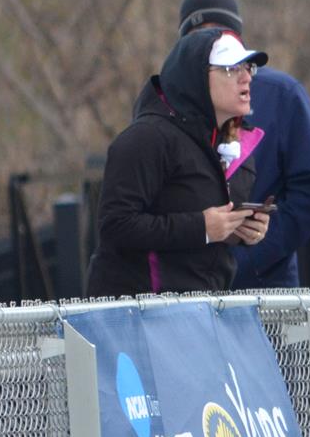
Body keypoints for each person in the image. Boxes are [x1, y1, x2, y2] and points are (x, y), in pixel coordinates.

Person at [85, 28, 271, 296]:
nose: (246, 78)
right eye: (231, 69)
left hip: (206, 307)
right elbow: (115, 225)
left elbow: (205, 229)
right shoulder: (147, 138)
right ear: (197, 78)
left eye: (248, 67)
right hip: (140, 310)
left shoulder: (237, 146)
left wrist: (240, 231)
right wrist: (201, 228)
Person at [175, 0, 310, 289]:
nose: (209, 44)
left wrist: (257, 249)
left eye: (219, 34)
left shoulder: (283, 95)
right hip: (188, 286)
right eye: (198, 37)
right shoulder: (168, 102)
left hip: (266, 284)